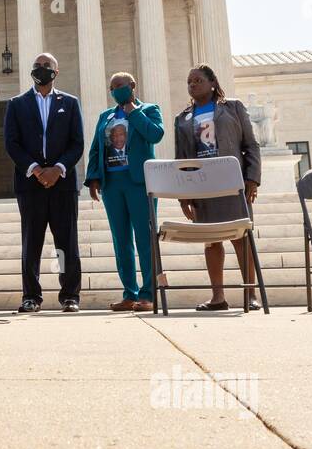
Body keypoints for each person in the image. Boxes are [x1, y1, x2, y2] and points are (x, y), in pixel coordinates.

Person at [173, 64, 262, 311]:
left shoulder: (232, 108)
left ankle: (250, 294)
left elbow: (251, 145)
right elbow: (181, 159)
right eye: (189, 82)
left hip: (232, 185)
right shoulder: (182, 118)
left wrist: (252, 178)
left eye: (198, 80)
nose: (192, 85)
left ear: (212, 83)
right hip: (202, 187)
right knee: (211, 241)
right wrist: (183, 196)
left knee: (241, 238)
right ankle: (217, 297)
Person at [3, 52, 84, 313]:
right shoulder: (17, 104)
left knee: (66, 243)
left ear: (56, 72)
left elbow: (77, 143)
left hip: (63, 184)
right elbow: (11, 143)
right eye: (37, 65)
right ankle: (31, 297)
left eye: (46, 65)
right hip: (30, 184)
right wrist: (36, 170)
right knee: (32, 242)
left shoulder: (70, 103)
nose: (41, 69)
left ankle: (70, 295)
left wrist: (57, 169)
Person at [85, 72, 165, 312]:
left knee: (145, 238)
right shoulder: (105, 116)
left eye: (119, 86)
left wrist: (133, 111)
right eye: (112, 88)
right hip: (113, 183)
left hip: (139, 183)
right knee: (121, 241)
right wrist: (93, 178)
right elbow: (96, 148)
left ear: (132, 86)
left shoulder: (149, 109)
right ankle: (129, 293)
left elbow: (155, 134)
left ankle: (148, 294)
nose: (115, 90)